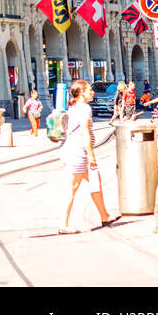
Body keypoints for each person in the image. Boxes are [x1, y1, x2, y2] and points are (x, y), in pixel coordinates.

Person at [59, 80, 116, 234]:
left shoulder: (74, 107)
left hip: (75, 152)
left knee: (95, 182)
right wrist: (91, 155)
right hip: (77, 153)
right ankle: (63, 224)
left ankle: (105, 216)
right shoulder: (84, 108)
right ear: (81, 93)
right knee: (72, 188)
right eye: (90, 90)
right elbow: (84, 132)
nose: (93, 92)